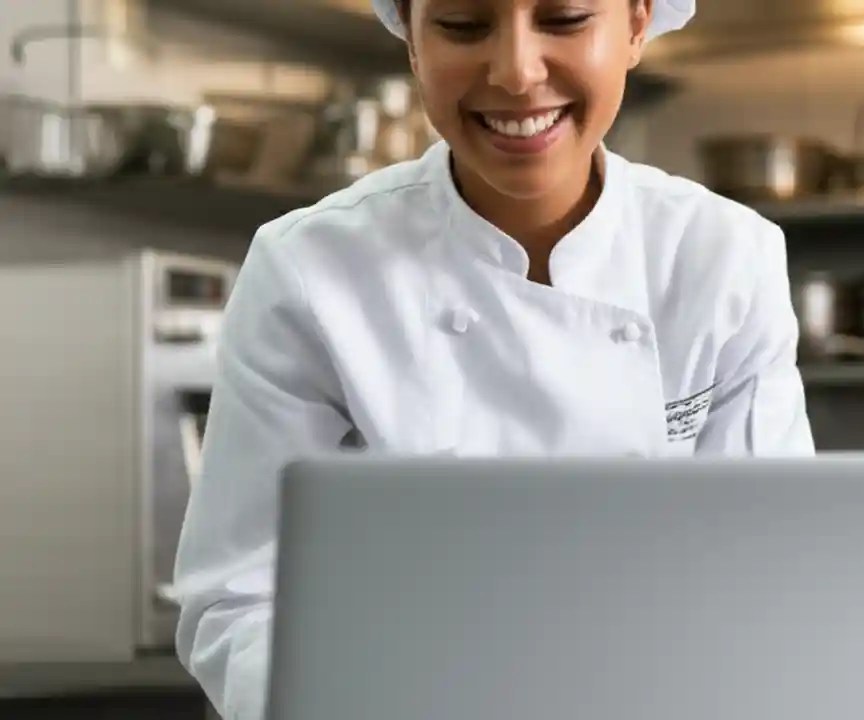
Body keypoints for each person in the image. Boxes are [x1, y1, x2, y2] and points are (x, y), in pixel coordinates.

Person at [173, 0, 815, 717]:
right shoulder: (310, 270)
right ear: (412, 42)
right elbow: (240, 597)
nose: (515, 72)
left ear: (636, 24)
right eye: (462, 25)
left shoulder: (722, 257)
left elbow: (767, 578)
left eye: (566, 18)